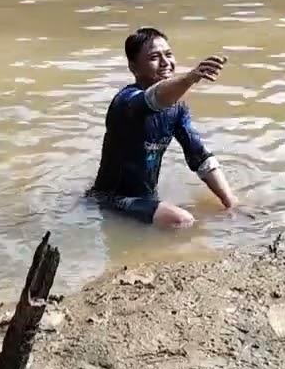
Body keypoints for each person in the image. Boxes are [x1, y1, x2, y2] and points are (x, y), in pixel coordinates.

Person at [87, 27, 237, 229]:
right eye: (154, 57)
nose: (166, 62)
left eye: (168, 54)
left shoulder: (177, 109)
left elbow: (200, 158)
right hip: (110, 199)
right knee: (181, 219)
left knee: (201, 221)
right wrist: (188, 79)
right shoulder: (126, 102)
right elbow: (152, 99)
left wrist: (231, 204)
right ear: (134, 68)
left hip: (144, 198)